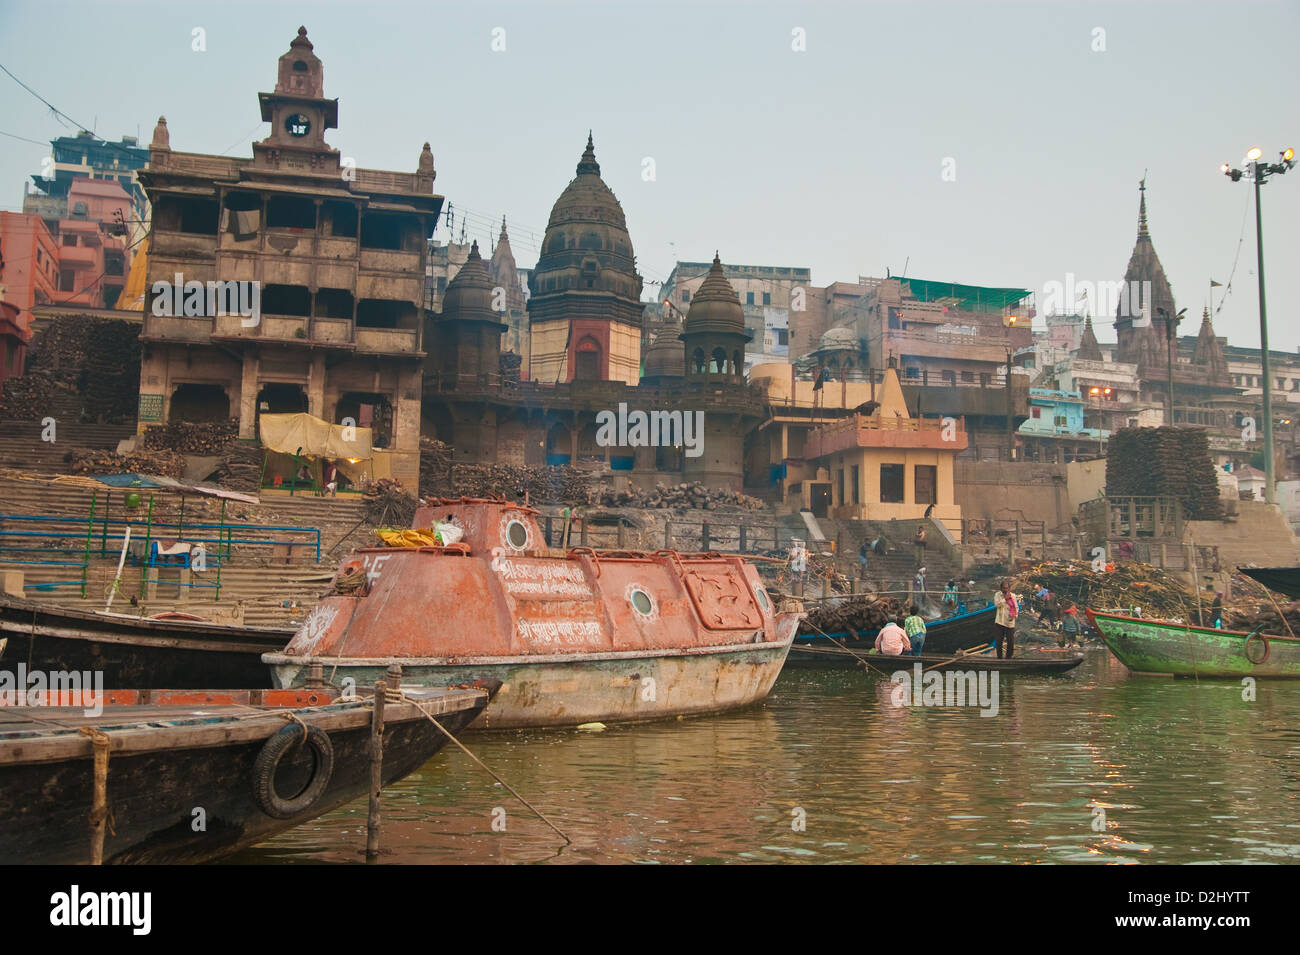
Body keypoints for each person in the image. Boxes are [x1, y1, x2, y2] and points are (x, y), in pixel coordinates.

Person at [993, 578, 1020, 659]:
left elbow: (1016, 607)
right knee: (998, 641)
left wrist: (1014, 615)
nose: (1005, 590)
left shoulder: (1013, 596)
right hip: (1000, 621)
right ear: (1001, 588)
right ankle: (999, 658)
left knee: (1010, 642)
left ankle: (1008, 658)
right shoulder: (997, 595)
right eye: (1004, 588)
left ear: (1009, 588)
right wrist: (1005, 599)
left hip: (1010, 622)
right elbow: (997, 604)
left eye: (1007, 588)